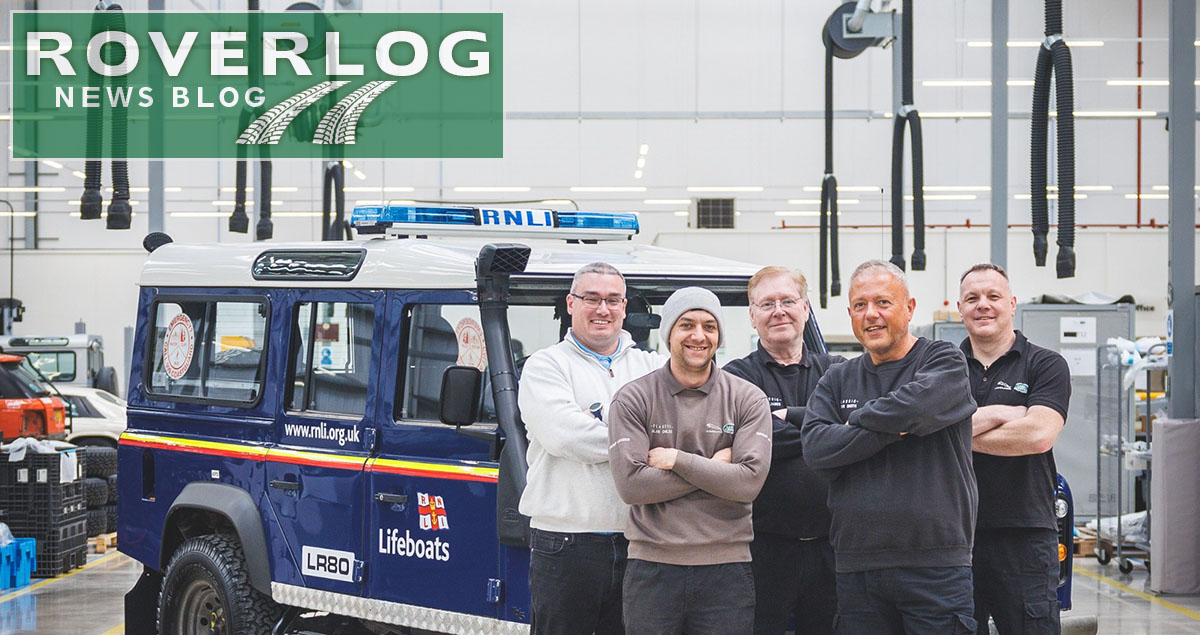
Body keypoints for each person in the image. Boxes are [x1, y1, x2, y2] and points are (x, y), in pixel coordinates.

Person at [801, 260, 979, 634]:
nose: (871, 315)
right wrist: (895, 428)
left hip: (935, 566)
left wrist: (856, 422)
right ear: (850, 313)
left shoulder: (944, 361)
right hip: (856, 568)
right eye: (860, 305)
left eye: (883, 302)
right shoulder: (837, 379)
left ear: (908, 308)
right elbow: (816, 448)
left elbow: (918, 405)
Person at [608, 287, 772, 635]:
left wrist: (677, 460)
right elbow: (632, 486)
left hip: (727, 570)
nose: (699, 336)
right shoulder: (634, 398)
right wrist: (716, 467)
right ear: (669, 332)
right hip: (652, 569)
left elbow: (747, 484)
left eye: (709, 326)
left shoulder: (747, 399)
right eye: (687, 325)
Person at [518, 262, 664, 635]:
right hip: (566, 547)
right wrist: (648, 440)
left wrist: (601, 426)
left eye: (613, 300)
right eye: (592, 299)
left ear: (625, 306)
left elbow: (684, 429)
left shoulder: (653, 367)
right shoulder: (546, 366)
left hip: (640, 545)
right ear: (571, 303)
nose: (603, 309)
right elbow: (565, 436)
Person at [724, 266, 844, 635]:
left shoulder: (838, 371)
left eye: (788, 301)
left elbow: (856, 431)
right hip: (763, 549)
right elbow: (750, 442)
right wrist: (825, 429)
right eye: (767, 304)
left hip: (834, 547)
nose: (779, 311)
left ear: (806, 309)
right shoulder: (735, 377)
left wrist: (786, 417)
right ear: (752, 315)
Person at [958, 263, 1070, 635]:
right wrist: (1004, 414)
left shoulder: (1045, 364)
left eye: (993, 296)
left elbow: (1038, 435)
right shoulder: (942, 369)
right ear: (960, 308)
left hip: (1026, 538)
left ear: (1012, 304)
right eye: (972, 298)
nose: (982, 305)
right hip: (954, 538)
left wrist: (953, 434)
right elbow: (921, 432)